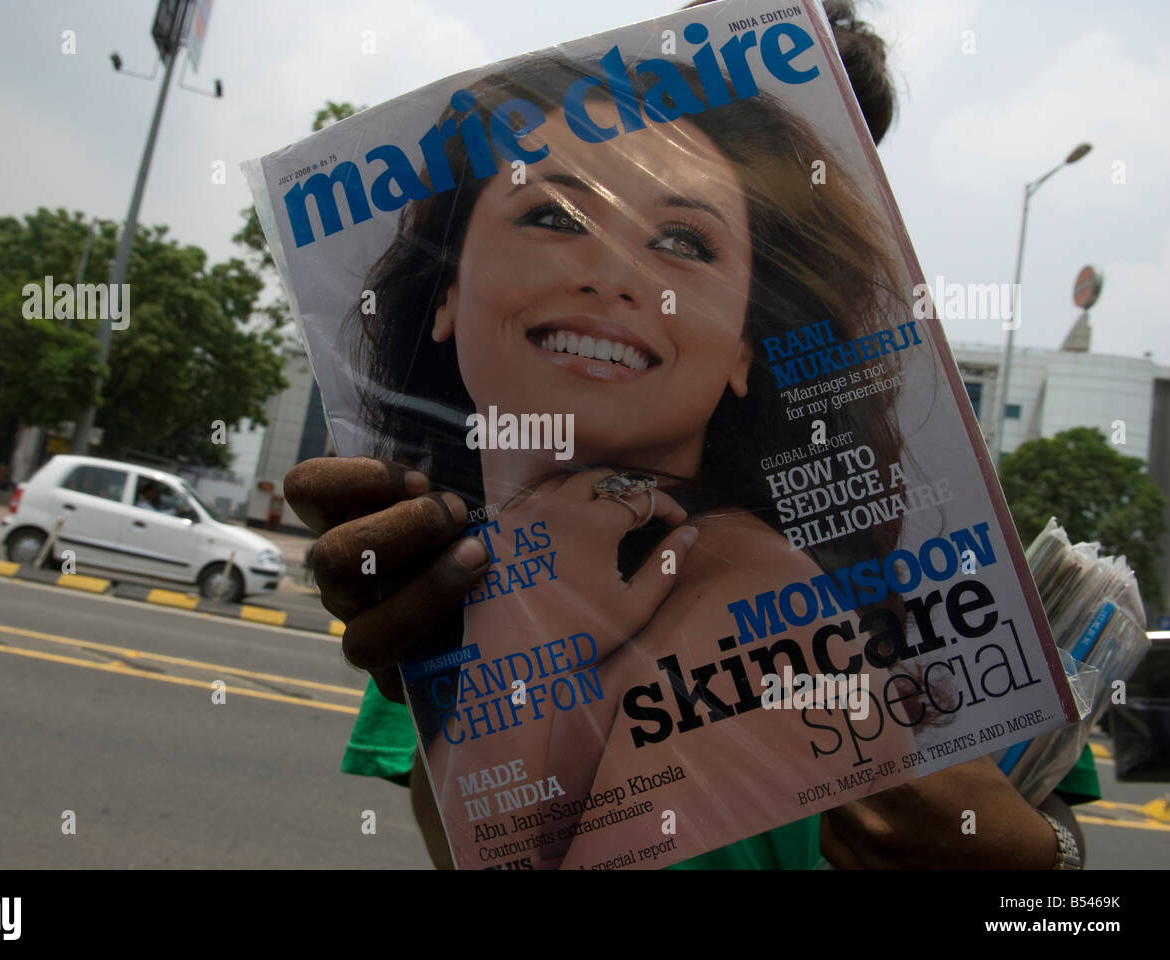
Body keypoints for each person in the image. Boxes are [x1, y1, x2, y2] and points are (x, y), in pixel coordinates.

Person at [290, 0, 1098, 869]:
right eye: (556, 216)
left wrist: (1033, 861)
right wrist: (501, 657)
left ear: (747, 345)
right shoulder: (445, 585)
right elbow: (460, 847)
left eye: (683, 239)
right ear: (447, 291)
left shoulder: (791, 579)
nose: (615, 276)